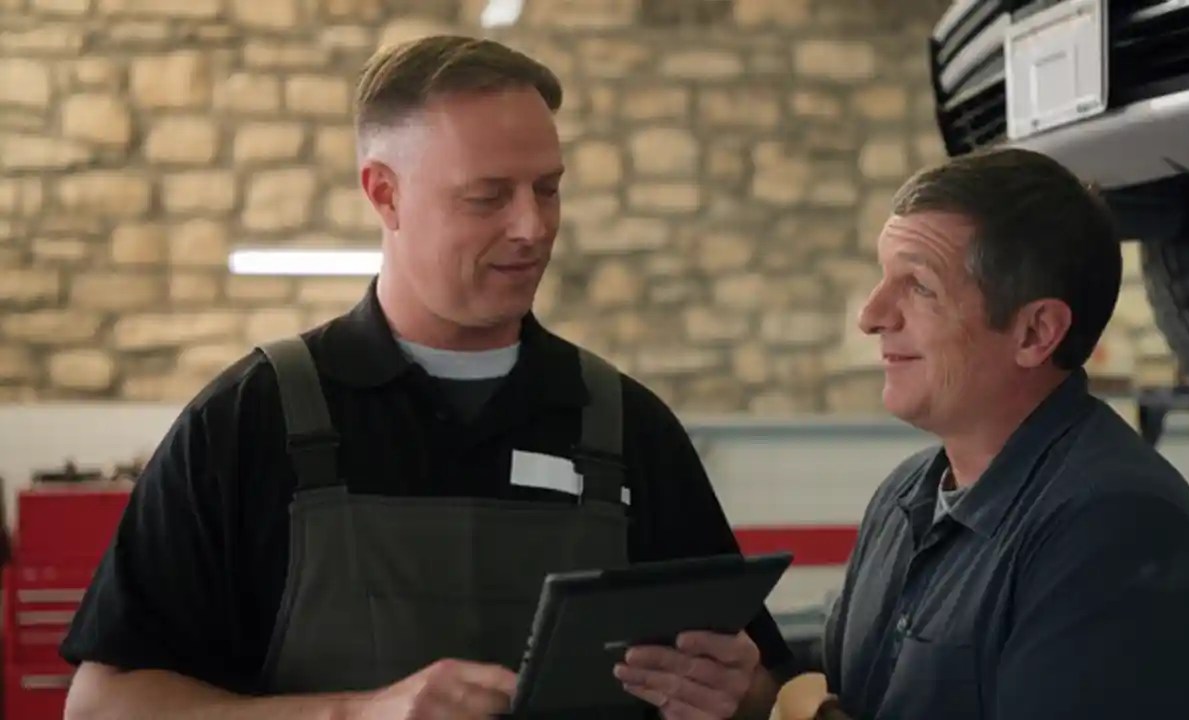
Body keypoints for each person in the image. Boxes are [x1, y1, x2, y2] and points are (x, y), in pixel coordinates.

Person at [61, 34, 794, 720]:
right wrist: (355, 712)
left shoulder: (629, 429)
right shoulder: (250, 422)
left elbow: (763, 686)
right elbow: (102, 704)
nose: (532, 227)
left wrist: (743, 691)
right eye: (488, 196)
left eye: (548, 188)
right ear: (383, 193)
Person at [780, 148, 1189, 719]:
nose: (872, 315)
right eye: (884, 279)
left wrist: (801, 713)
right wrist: (751, 691)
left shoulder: (1116, 531)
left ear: (1035, 332)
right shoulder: (906, 497)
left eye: (920, 287)